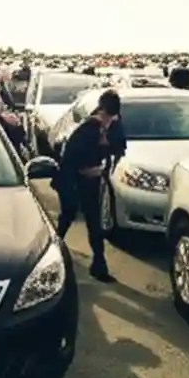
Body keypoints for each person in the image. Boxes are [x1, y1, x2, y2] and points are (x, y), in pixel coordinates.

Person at [54, 89, 124, 282]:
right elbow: (71, 158)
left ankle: (99, 265)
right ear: (100, 110)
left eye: (111, 117)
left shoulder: (114, 126)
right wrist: (89, 168)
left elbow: (119, 148)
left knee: (94, 223)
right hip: (72, 180)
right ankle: (53, 249)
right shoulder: (86, 129)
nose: (108, 120)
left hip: (92, 181)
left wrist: (104, 165)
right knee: (67, 216)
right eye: (106, 116)